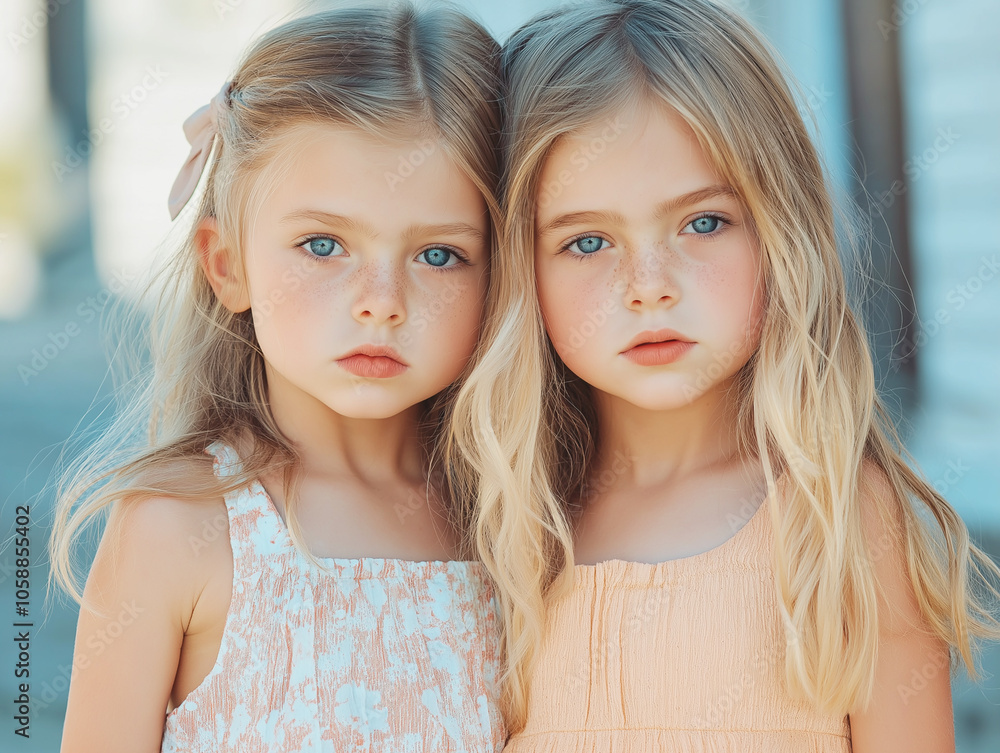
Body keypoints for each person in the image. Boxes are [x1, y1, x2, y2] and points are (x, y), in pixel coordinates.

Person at [450, 1, 1000, 750]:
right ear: (519, 264)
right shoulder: (500, 527)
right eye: (588, 241)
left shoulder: (838, 519)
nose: (649, 284)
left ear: (780, 232)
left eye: (703, 222)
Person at [48, 5, 506, 751]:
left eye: (438, 255)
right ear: (228, 264)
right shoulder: (180, 529)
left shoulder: (512, 524)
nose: (381, 302)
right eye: (323, 244)